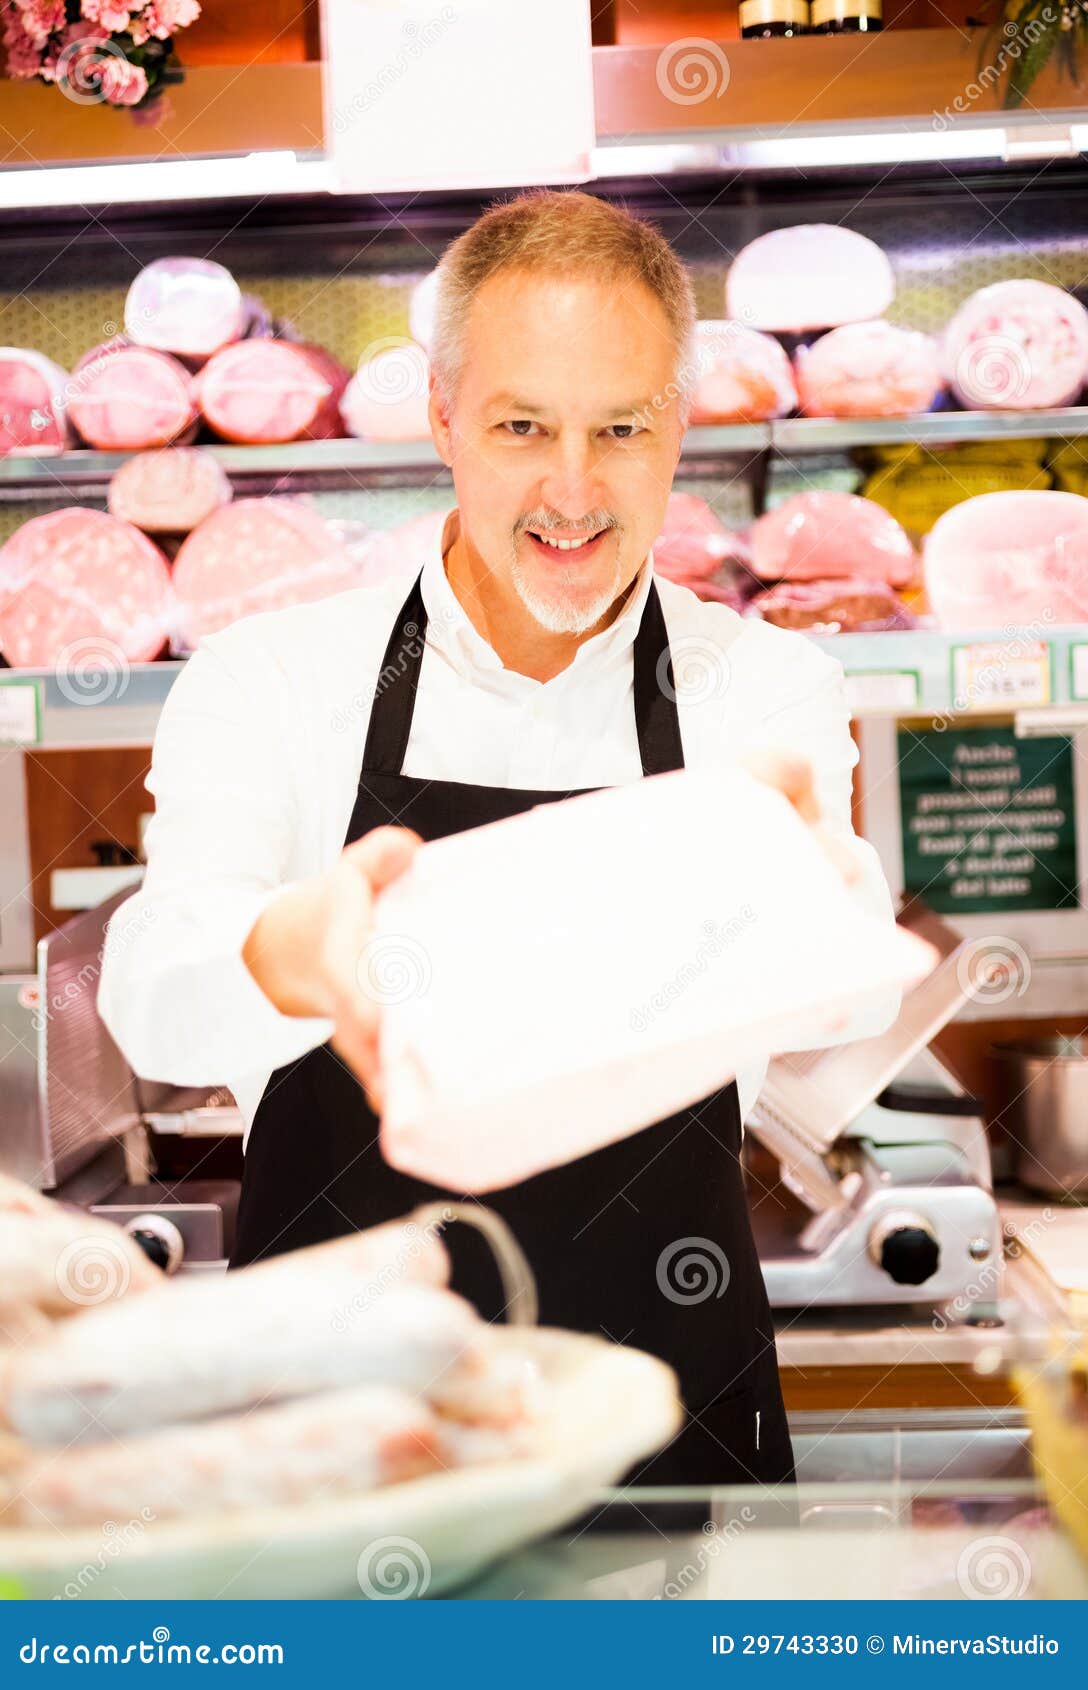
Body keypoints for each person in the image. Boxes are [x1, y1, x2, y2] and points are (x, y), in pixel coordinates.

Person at [99, 189, 900, 1486]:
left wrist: (826, 906)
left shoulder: (765, 689)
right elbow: (155, 982)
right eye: (524, 424)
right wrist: (279, 952)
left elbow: (830, 986)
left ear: (678, 427)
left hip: (670, 1430)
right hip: (342, 1445)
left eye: (621, 429)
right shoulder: (274, 680)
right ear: (443, 415)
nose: (573, 489)